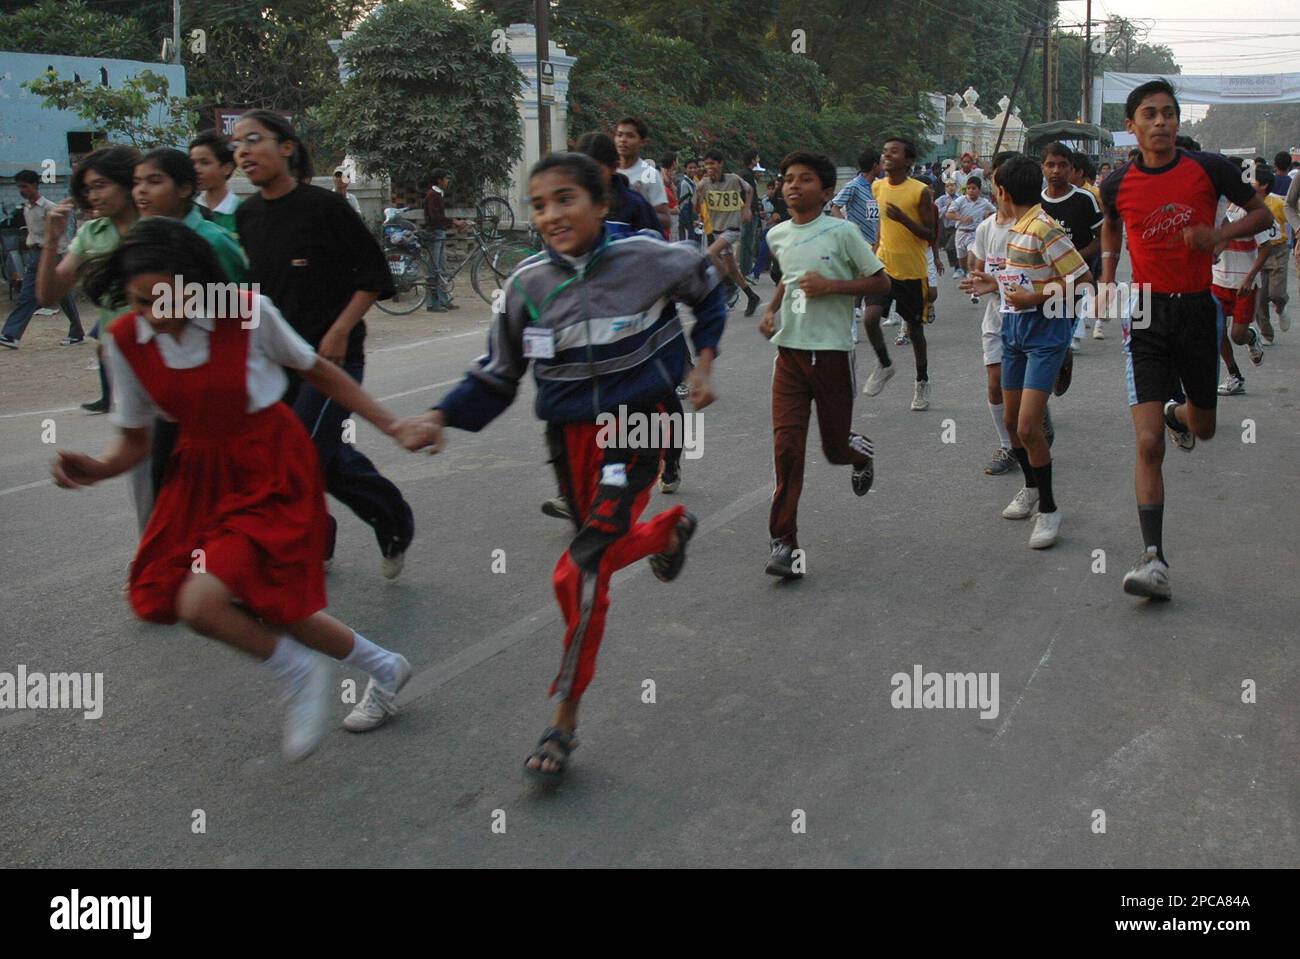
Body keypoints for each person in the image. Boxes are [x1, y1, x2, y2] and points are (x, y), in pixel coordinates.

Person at [398, 152, 725, 784]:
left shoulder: (648, 257)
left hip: (638, 424)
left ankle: (564, 719)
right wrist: (439, 416)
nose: (551, 214)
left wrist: (703, 362)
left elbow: (708, 292)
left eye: (566, 199)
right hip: (568, 437)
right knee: (594, 554)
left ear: (601, 205)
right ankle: (665, 530)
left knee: (578, 570)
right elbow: (497, 375)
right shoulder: (525, 284)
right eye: (540, 203)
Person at [52, 219, 425, 758]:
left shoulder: (246, 312)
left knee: (201, 603)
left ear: (194, 283)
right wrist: (95, 467)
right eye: (140, 301)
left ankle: (299, 671)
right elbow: (133, 443)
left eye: (165, 298)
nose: (154, 313)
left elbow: (318, 370)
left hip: (269, 466)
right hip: (200, 479)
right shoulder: (125, 342)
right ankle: (385, 666)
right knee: (266, 605)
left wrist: (393, 425)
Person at [1097, 79, 1273, 600]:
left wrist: (1218, 237)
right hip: (1148, 311)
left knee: (1208, 426)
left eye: (1169, 113)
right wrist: (1108, 275)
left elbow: (1261, 213)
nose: (1161, 122)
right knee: (1147, 443)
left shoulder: (1209, 168)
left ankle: (1181, 416)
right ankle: (1153, 558)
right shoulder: (1117, 183)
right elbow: (1111, 225)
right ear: (1131, 126)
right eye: (1149, 114)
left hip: (1199, 309)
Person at [233, 110, 415, 579]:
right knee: (321, 456)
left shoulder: (325, 208)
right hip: (277, 361)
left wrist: (338, 331)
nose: (244, 152)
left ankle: (306, 544)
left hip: (333, 358)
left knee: (302, 451)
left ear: (286, 147)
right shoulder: (247, 215)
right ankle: (385, 517)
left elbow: (372, 276)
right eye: (237, 145)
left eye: (254, 140)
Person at [758, 151, 888, 578]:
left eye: (806, 179)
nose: (793, 185)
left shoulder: (842, 232)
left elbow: (880, 282)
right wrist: (772, 309)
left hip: (831, 355)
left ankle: (859, 452)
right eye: (788, 178)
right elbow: (787, 276)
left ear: (827, 190)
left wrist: (833, 286)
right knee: (787, 450)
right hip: (789, 356)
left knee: (833, 450)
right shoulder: (777, 234)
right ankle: (784, 544)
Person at [961, 155, 1093, 550]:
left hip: (1045, 334)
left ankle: (1050, 509)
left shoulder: (1043, 228)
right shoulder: (1016, 226)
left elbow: (1084, 281)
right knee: (1012, 418)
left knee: (1026, 428)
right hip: (1013, 331)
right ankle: (1032, 488)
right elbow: (1017, 281)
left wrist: (1033, 297)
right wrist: (993, 285)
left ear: (1001, 190)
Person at [35, 145, 141, 413]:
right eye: (87, 189)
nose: (93, 196)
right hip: (122, 354)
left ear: (127, 182)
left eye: (100, 186)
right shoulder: (91, 233)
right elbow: (49, 295)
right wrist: (51, 242)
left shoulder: (161, 224)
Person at [861, 137, 937, 411]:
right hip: (883, 267)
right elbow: (883, 223)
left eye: (894, 152)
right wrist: (874, 249)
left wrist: (904, 219)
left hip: (912, 271)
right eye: (884, 151)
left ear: (908, 160)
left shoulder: (920, 192)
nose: (886, 155)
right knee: (870, 318)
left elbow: (929, 234)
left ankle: (922, 381)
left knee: (915, 331)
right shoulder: (877, 186)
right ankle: (884, 363)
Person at [968, 151, 1024, 476]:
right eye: (998, 179)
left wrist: (997, 284)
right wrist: (977, 277)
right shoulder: (986, 227)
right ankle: (1008, 446)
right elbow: (978, 262)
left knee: (1021, 390)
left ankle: (1030, 427)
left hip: (1028, 318)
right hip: (995, 317)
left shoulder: (1033, 227)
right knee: (995, 383)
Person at [0, 170, 85, 349]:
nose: (22, 190)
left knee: (62, 295)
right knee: (28, 295)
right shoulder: (27, 208)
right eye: (19, 187)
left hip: (51, 255)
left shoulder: (49, 207)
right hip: (35, 256)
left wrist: (62, 258)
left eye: (25, 186)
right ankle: (11, 334)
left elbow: (60, 234)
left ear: (35, 186)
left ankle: (76, 332)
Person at [1039, 142, 1103, 351]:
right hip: (1043, 278)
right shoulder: (1036, 201)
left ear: (1071, 168)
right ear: (1043, 168)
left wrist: (1074, 258)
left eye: (1062, 165)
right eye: (1050, 165)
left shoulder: (1084, 199)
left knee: (1063, 336)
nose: (1056, 170)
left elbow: (1101, 238)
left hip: (1075, 278)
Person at [1211, 200, 1269, 396]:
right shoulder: (1214, 207)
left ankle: (1251, 337)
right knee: (1217, 331)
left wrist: (1250, 277)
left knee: (1237, 336)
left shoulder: (1251, 209)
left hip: (1244, 283)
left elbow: (1266, 247)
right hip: (1217, 280)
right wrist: (1213, 255)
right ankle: (1234, 375)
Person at [696, 149, 762, 316]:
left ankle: (728, 286)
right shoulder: (704, 183)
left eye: (712, 164)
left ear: (720, 164)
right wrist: (699, 193)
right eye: (706, 165)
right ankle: (751, 296)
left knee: (709, 253)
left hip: (732, 228)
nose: (709, 167)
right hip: (717, 230)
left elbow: (749, 190)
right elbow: (697, 207)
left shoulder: (733, 179)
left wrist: (746, 208)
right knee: (732, 269)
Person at [613, 116, 670, 235]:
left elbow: (666, 220)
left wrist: (638, 212)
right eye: (619, 135)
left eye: (630, 136)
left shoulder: (650, 174)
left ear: (643, 142)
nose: (623, 140)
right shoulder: (607, 171)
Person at [421, 168, 467, 312]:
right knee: (434, 270)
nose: (447, 181)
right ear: (439, 180)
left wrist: (453, 223)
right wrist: (454, 222)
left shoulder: (437, 194)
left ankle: (443, 300)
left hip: (439, 233)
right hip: (434, 234)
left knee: (441, 269)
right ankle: (432, 304)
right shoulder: (432, 195)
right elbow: (436, 218)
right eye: (446, 178)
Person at [1251, 165, 1289, 339]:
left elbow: (1292, 214)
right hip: (1258, 252)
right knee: (1260, 296)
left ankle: (1281, 307)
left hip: (1278, 251)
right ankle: (1267, 333)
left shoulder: (1278, 203)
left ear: (1264, 185)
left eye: (1253, 180)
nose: (1249, 182)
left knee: (1276, 294)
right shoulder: (1248, 202)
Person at [189, 130, 240, 234]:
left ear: (227, 168)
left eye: (205, 163)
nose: (196, 169)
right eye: (192, 163)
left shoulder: (242, 212)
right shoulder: (189, 211)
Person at [945, 177, 995, 276]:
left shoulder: (984, 202)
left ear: (979, 190)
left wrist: (988, 214)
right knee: (962, 262)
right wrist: (961, 218)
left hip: (974, 234)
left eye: (974, 188)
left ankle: (974, 282)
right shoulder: (961, 200)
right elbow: (948, 214)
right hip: (961, 233)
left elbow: (995, 212)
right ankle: (967, 272)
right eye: (969, 188)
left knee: (971, 261)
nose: (971, 191)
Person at [738, 147, 764, 278]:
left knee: (747, 241)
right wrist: (749, 209)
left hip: (748, 211)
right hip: (749, 212)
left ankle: (744, 269)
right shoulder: (747, 175)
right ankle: (745, 271)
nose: (758, 160)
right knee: (747, 241)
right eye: (757, 158)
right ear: (753, 159)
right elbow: (748, 195)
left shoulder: (744, 173)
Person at [935, 179, 960, 272]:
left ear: (956, 186)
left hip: (958, 227)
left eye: (952, 185)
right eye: (948, 186)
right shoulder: (941, 200)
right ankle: (957, 266)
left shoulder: (961, 198)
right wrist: (947, 207)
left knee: (951, 247)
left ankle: (959, 266)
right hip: (946, 228)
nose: (951, 188)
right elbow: (937, 214)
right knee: (950, 248)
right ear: (945, 188)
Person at [661, 152, 681, 241]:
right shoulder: (661, 179)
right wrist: (673, 210)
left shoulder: (670, 179)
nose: (678, 163)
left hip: (673, 220)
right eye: (677, 161)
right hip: (666, 221)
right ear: (673, 163)